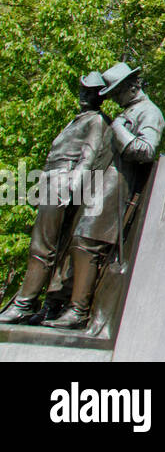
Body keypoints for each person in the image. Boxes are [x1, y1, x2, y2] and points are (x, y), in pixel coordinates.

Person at [45, 62, 163, 330]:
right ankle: (63, 304)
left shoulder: (149, 112)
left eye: (116, 93)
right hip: (99, 186)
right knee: (76, 243)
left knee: (87, 242)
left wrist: (120, 128)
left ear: (132, 87)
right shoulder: (129, 111)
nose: (113, 100)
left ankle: (78, 311)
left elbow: (146, 150)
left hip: (117, 188)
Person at [0, 72, 112, 324]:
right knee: (44, 246)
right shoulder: (80, 119)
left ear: (101, 96)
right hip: (53, 180)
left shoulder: (96, 120)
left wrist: (73, 188)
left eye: (91, 92)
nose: (85, 95)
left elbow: (89, 155)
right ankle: (37, 303)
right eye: (83, 90)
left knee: (43, 247)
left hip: (64, 183)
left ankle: (23, 304)